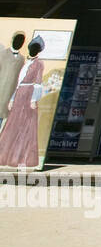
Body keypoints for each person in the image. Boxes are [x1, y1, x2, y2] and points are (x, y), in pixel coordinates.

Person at [0, 36, 62, 169]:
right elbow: (18, 82)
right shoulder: (25, 61)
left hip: (28, 94)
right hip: (20, 94)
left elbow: (38, 83)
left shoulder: (38, 64)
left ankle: (21, 158)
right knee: (12, 126)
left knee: (25, 127)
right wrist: (12, 99)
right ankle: (8, 157)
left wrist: (34, 99)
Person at [0, 32, 24, 131]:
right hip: (1, 87)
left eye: (21, 41)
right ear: (12, 40)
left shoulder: (21, 59)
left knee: (2, 116)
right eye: (18, 40)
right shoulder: (2, 54)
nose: (19, 43)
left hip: (10, 93)